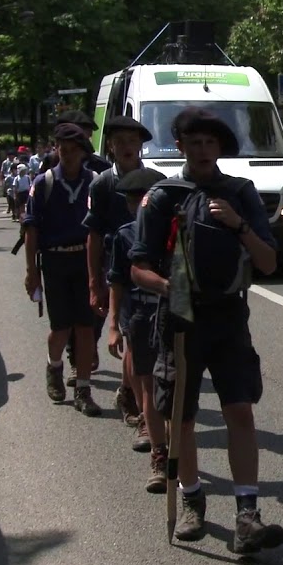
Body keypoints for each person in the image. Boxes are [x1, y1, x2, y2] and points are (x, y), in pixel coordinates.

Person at [129, 107, 283, 555]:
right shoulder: (163, 196)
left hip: (228, 317)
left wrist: (237, 224)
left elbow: (269, 262)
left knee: (240, 411)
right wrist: (172, 289)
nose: (201, 151)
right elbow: (138, 267)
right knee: (182, 415)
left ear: (219, 148)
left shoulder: (240, 193)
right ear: (180, 146)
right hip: (179, 319)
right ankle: (193, 497)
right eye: (193, 143)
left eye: (210, 143)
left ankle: (247, 515)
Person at [22, 123, 102, 417]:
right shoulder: (44, 182)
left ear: (83, 152)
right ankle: (54, 366)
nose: (66, 155)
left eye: (72, 150)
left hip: (85, 260)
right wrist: (31, 271)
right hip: (55, 262)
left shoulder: (95, 181)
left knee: (85, 327)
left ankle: (83, 389)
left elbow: (102, 226)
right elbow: (31, 228)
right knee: (60, 328)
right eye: (61, 149)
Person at [83, 115, 154, 436]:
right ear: (110, 147)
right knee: (130, 337)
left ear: (141, 145)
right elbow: (94, 235)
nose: (127, 147)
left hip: (147, 272)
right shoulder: (101, 184)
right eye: (120, 142)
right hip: (116, 273)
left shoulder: (156, 180)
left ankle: (130, 392)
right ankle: (138, 407)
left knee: (140, 343)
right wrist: (94, 283)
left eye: (133, 141)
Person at [107, 166, 172, 493]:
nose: (139, 206)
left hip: (173, 311)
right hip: (141, 313)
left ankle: (177, 449)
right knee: (147, 385)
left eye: (144, 199)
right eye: (133, 201)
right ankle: (158, 454)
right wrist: (114, 325)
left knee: (172, 386)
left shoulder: (173, 231)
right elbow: (117, 281)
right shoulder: (124, 235)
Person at [56, 110, 112, 388]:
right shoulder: (49, 166)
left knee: (97, 306)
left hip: (97, 247)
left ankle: (89, 346)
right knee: (68, 316)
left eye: (86, 132)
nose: (83, 136)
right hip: (63, 252)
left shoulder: (101, 167)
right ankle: (75, 360)